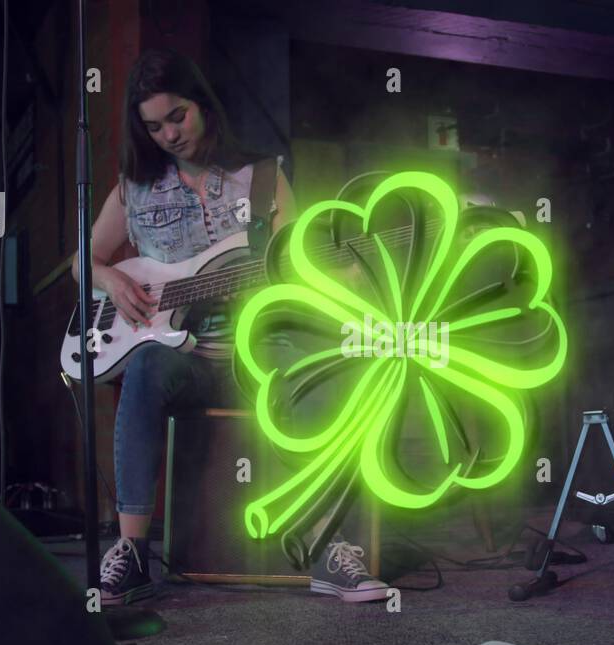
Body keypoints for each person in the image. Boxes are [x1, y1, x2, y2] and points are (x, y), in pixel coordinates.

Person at [70, 50, 388, 605]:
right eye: (153, 126)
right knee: (144, 367)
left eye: (177, 116)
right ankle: (132, 553)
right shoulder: (134, 189)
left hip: (259, 351)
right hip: (181, 360)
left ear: (203, 106)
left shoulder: (263, 177)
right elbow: (81, 262)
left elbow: (297, 261)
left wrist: (340, 272)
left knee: (312, 369)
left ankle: (326, 547)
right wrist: (111, 281)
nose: (168, 134)